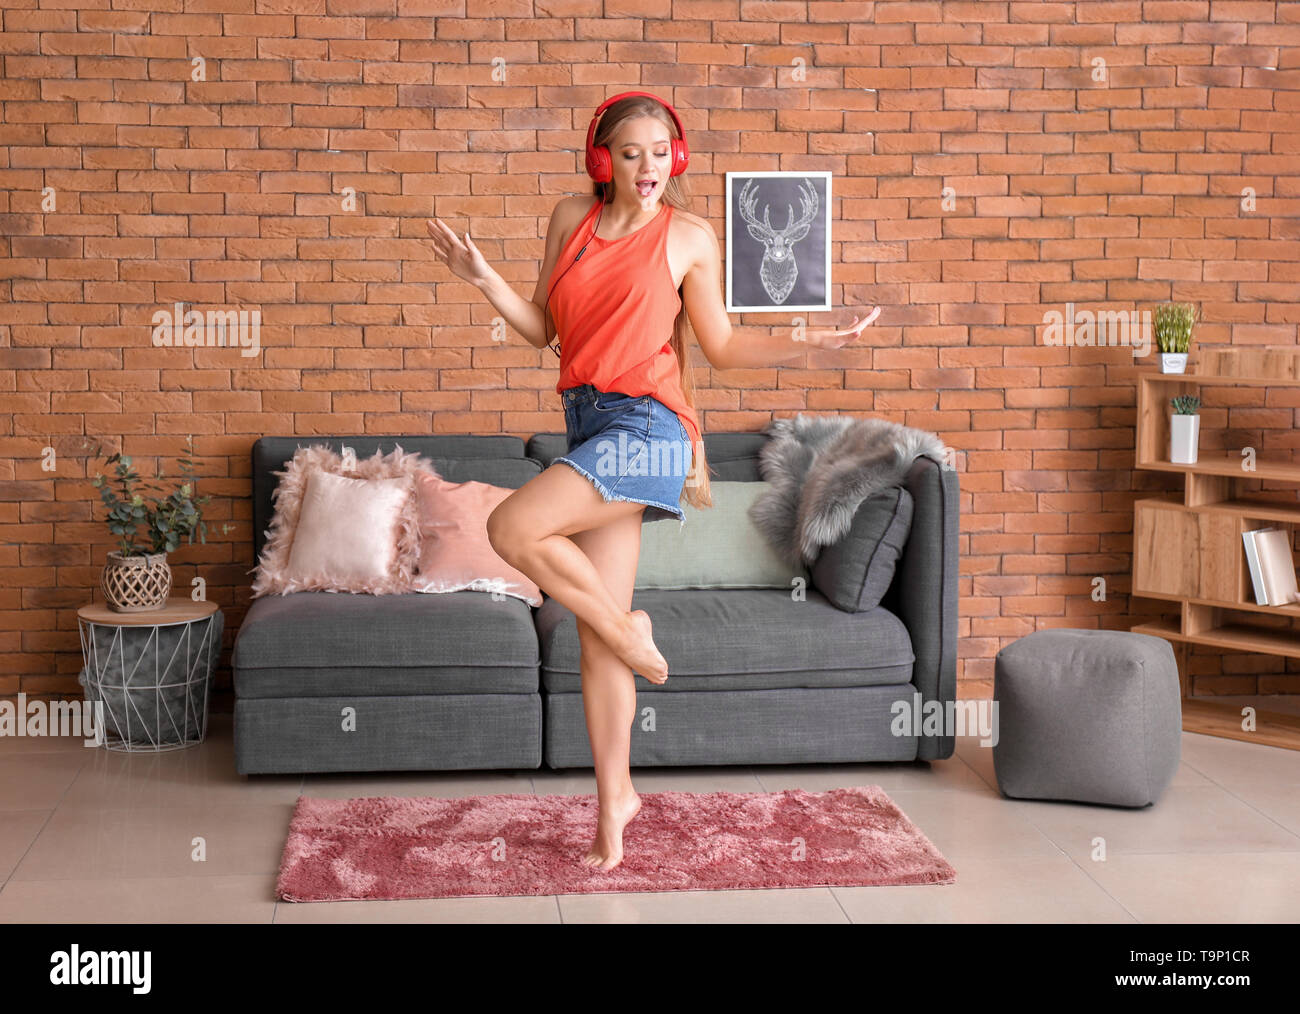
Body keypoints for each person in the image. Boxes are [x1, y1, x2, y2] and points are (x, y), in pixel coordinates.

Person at [425, 92, 879, 872]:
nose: (648, 168)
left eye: (661, 153)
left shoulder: (690, 239)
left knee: (512, 530)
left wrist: (813, 347)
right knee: (597, 644)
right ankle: (615, 806)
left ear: (680, 157)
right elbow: (544, 331)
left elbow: (726, 348)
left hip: (650, 432)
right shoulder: (571, 219)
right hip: (590, 425)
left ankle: (634, 632)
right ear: (603, 161)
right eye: (630, 153)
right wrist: (481, 276)